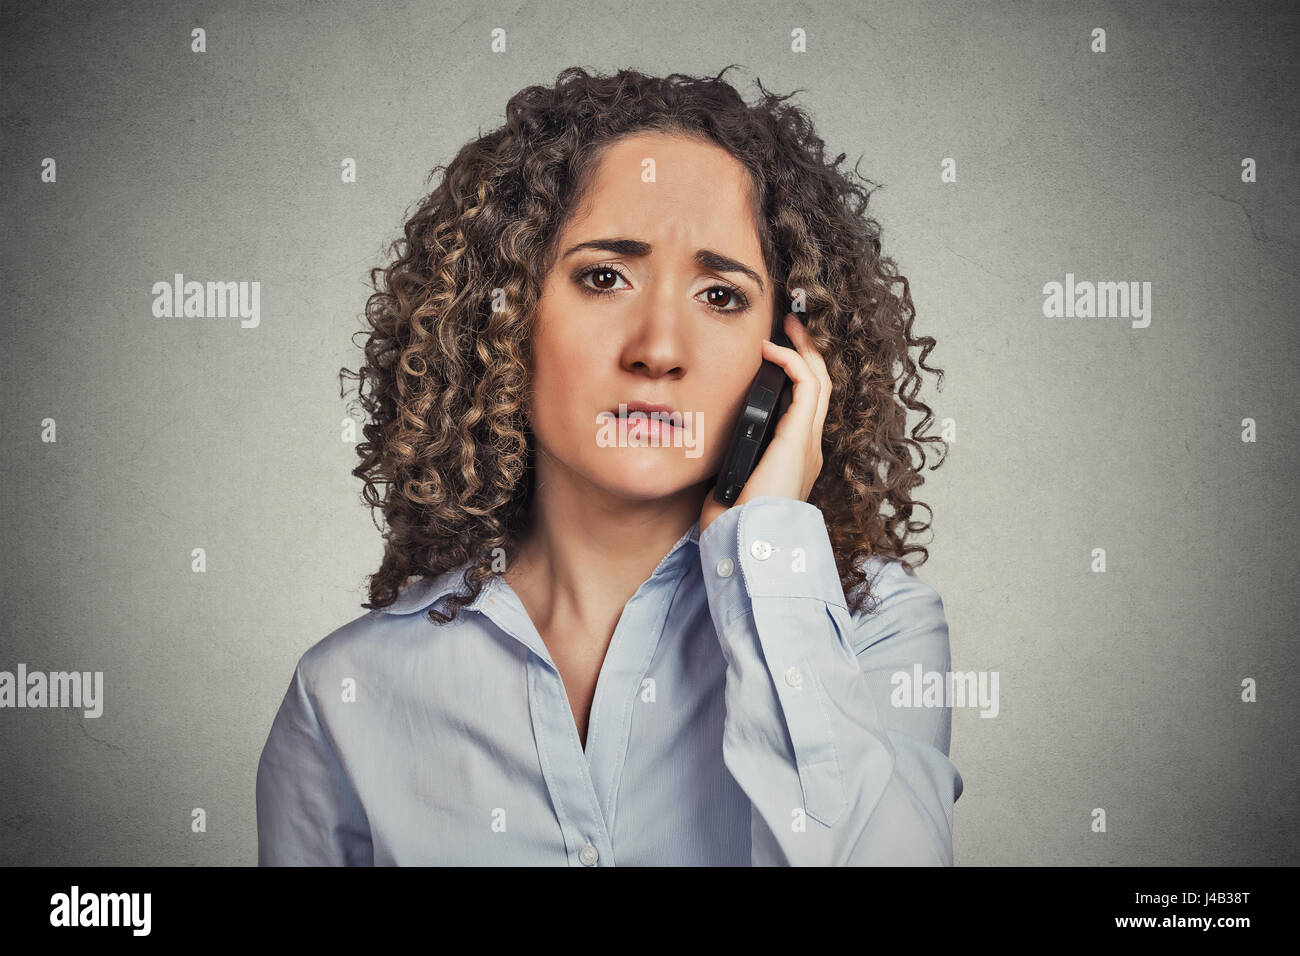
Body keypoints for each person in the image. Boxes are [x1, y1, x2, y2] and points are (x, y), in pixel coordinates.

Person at [256, 65, 961, 865]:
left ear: (790, 355)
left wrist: (767, 542)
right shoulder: (346, 695)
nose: (658, 349)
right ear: (503, 316)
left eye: (721, 295)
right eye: (603, 278)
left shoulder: (875, 634)